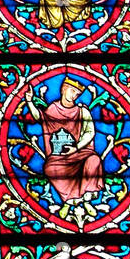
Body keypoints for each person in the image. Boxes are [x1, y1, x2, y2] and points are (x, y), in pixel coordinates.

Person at [25, 77, 104, 225]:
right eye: (72, 91)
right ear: (63, 89)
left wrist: (76, 147)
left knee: (94, 160)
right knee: (50, 168)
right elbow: (40, 118)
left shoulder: (82, 111)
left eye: (77, 94)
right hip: (59, 156)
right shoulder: (53, 109)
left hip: (80, 152)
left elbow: (90, 132)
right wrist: (29, 101)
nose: (74, 95)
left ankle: (86, 200)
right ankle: (68, 201)